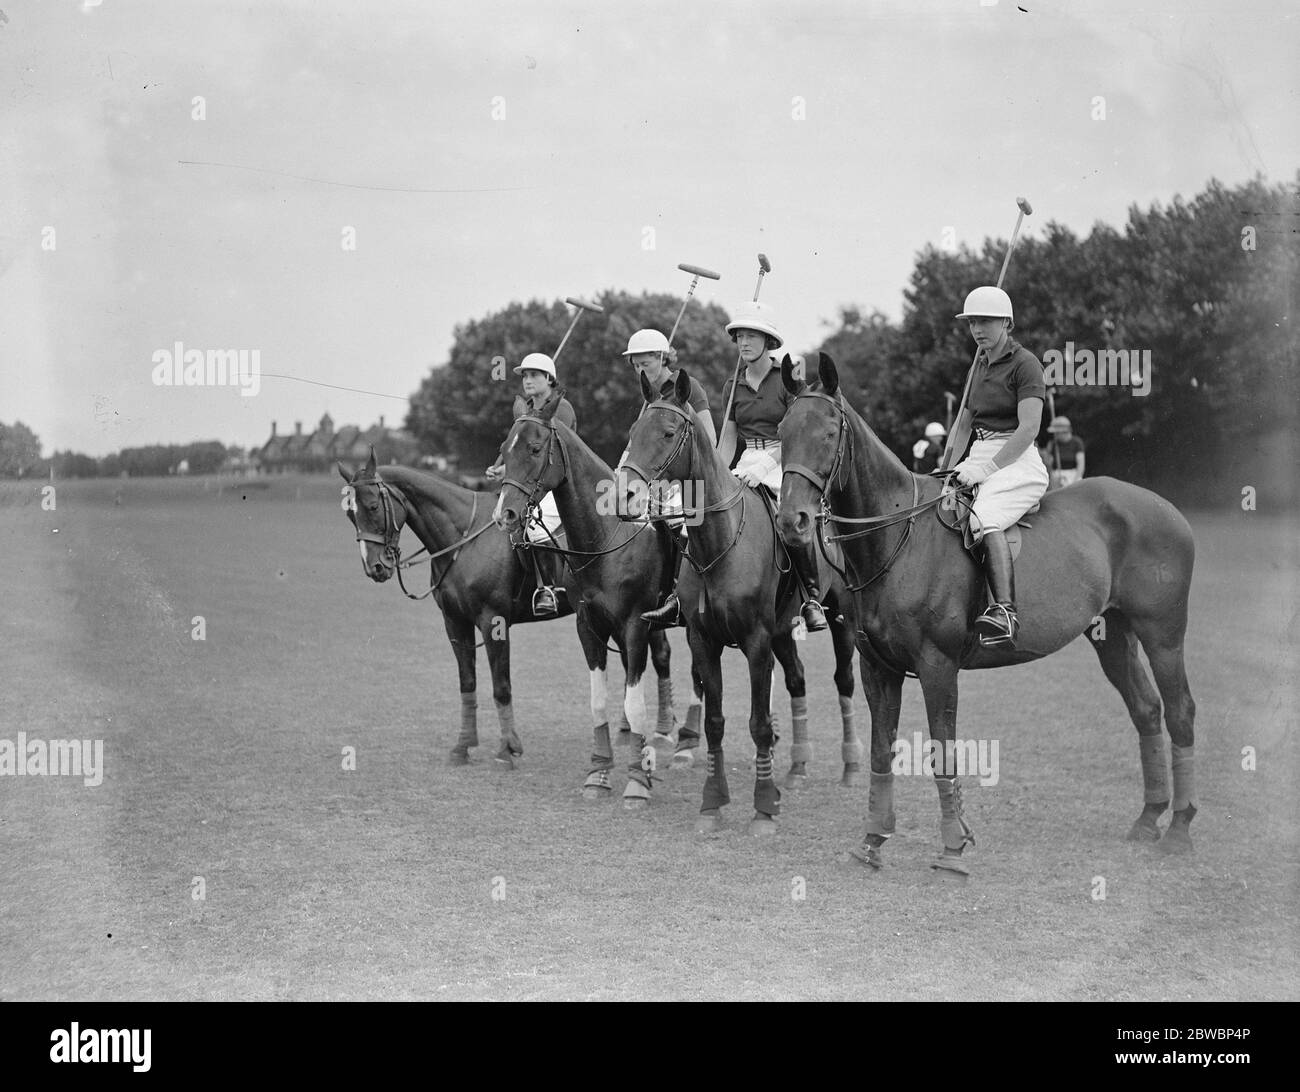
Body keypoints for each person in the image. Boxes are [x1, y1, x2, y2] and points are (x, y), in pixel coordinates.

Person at [667, 300, 827, 632]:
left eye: (752, 336)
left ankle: (811, 598)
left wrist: (768, 463)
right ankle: (679, 597)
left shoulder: (787, 376)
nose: (744, 342)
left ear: (768, 340)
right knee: (694, 512)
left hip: (785, 460)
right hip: (746, 460)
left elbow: (798, 431)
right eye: (740, 336)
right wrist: (716, 473)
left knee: (790, 520)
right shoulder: (733, 384)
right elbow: (728, 438)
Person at [949, 286, 1049, 648]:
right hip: (979, 453)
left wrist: (987, 469)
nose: (978, 328)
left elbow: (1029, 429)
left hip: (1017, 459)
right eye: (973, 321)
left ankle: (1005, 611)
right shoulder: (976, 366)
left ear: (1006, 322)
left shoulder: (1026, 364)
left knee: (984, 516)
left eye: (986, 320)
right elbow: (962, 425)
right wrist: (945, 469)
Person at [618, 329, 713, 628]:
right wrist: (622, 471)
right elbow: (639, 444)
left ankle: (678, 594)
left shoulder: (688, 386)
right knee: (621, 512)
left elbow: (708, 437)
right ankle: (652, 590)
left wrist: (668, 482)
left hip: (690, 473)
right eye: (634, 364)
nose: (639, 369)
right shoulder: (649, 397)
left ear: (662, 358)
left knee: (675, 517)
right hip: (657, 475)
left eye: (644, 362)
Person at [484, 352, 576, 616]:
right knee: (503, 518)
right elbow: (516, 447)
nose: (527, 380)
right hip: (531, 483)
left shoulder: (561, 408)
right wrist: (501, 467)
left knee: (535, 528)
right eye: (525, 375)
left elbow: (548, 451)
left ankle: (548, 588)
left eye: (534, 374)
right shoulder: (525, 409)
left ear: (549, 378)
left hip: (557, 484)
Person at [1042, 415, 1086, 488]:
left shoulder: (1077, 442)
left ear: (1064, 431)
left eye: (1057, 433)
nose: (1055, 435)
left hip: (1073, 475)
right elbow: (1048, 464)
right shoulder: (1053, 444)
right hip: (1057, 476)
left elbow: (1081, 465)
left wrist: (1076, 480)